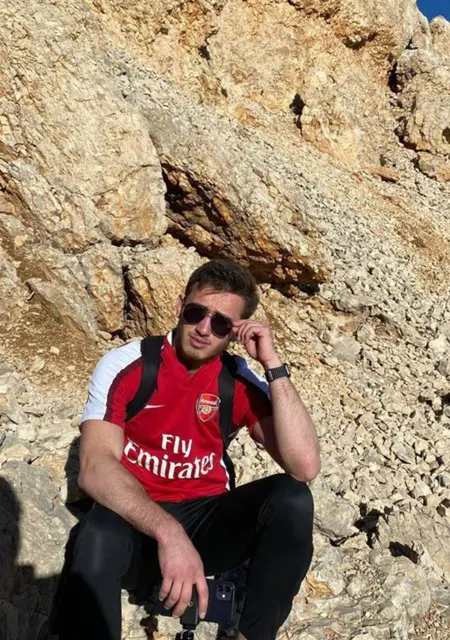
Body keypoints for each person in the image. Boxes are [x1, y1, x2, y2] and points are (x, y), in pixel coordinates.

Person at [59, 259, 320, 640]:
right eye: (197, 312)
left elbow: (304, 466)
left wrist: (272, 364)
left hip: (205, 523)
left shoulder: (236, 380)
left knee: (292, 499)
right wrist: (169, 534)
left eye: (221, 323)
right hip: (135, 521)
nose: (203, 329)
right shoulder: (128, 365)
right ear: (180, 305)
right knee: (97, 534)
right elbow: (95, 466)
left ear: (236, 331)